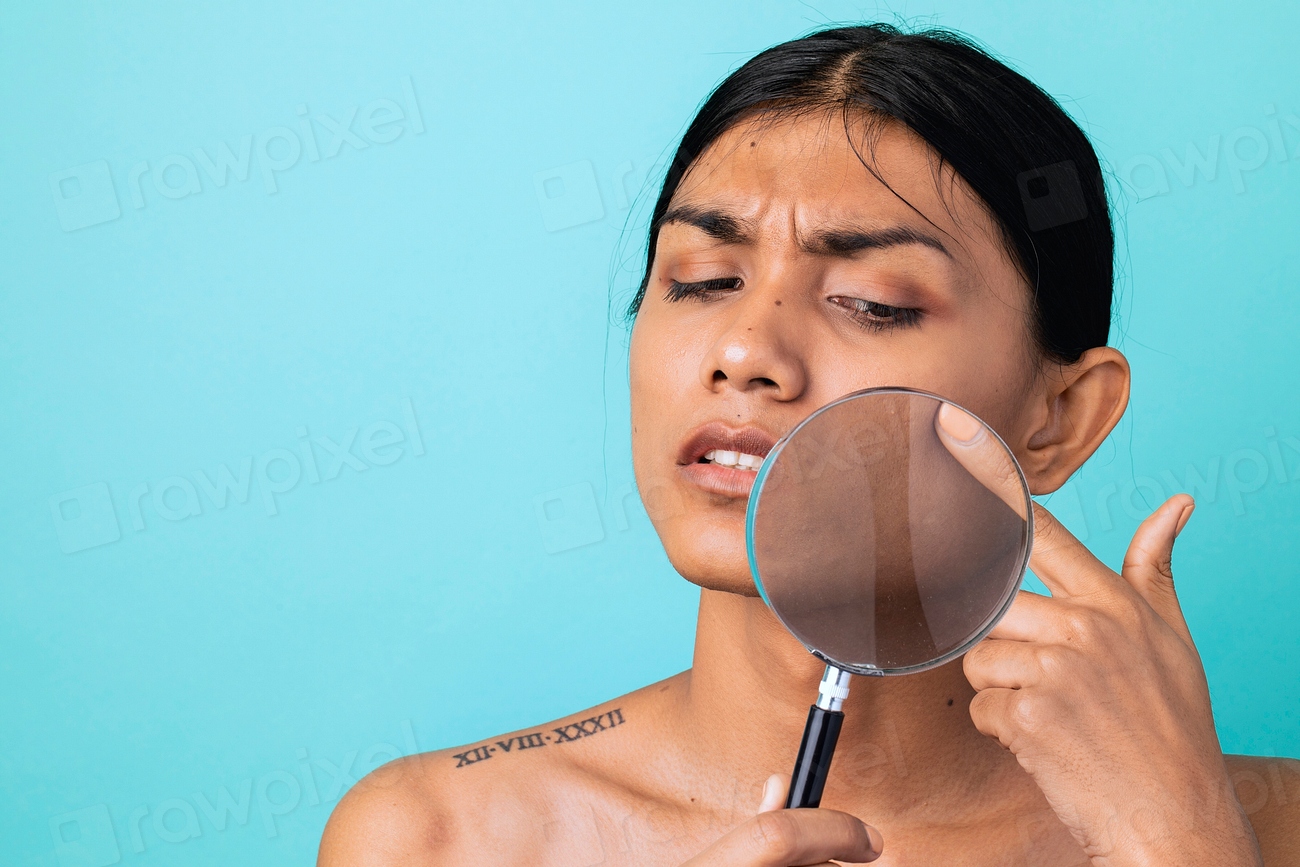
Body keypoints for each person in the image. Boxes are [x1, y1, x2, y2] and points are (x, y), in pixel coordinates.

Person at [318, 23, 1299, 866]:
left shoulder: (1270, 827)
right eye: (702, 280)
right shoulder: (441, 840)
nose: (745, 351)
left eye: (872, 303)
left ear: (1061, 418)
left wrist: (1182, 840)